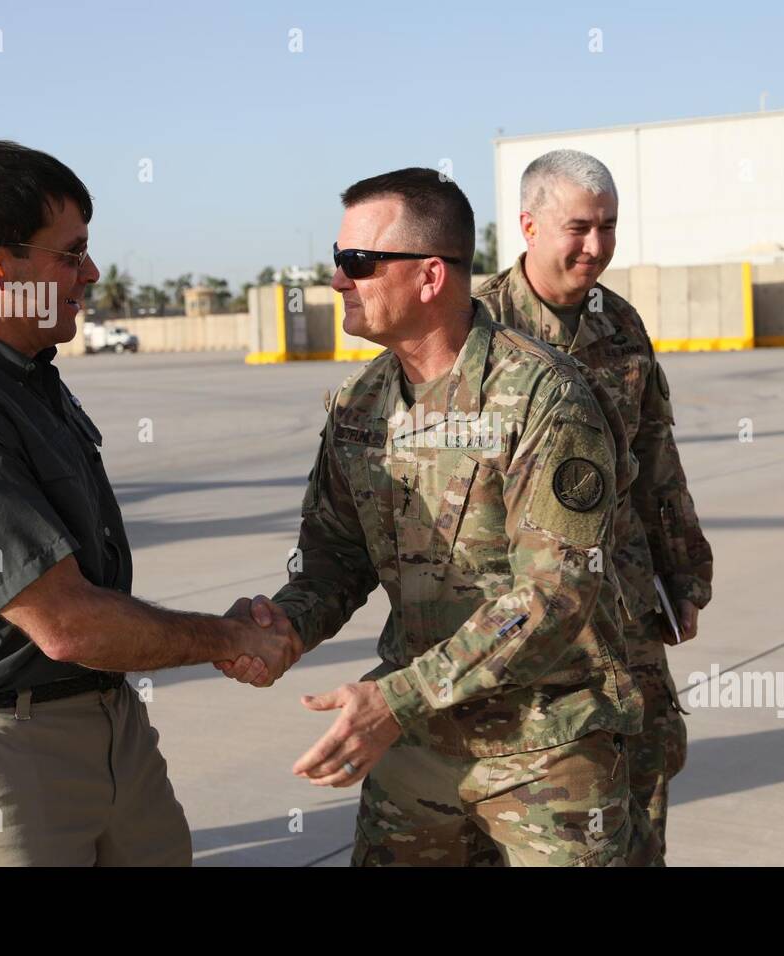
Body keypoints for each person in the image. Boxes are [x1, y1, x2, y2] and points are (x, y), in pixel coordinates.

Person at [0, 140, 301, 866]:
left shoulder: (24, 375)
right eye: (72, 254)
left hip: (105, 731)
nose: (91, 273)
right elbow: (65, 623)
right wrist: (229, 639)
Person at [231, 168, 660, 866]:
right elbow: (335, 559)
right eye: (337, 263)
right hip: (415, 756)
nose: (339, 280)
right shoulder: (360, 405)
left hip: (544, 753)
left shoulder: (544, 397)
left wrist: (394, 699)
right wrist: (281, 629)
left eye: (357, 263)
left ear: (430, 277)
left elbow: (556, 593)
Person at [474, 149, 714, 856]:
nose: (597, 246)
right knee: (529, 800)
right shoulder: (474, 331)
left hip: (622, 603)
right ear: (529, 225)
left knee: (645, 770)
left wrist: (684, 573)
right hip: (520, 609)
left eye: (609, 226)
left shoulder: (620, 324)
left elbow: (657, 463)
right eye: (579, 227)